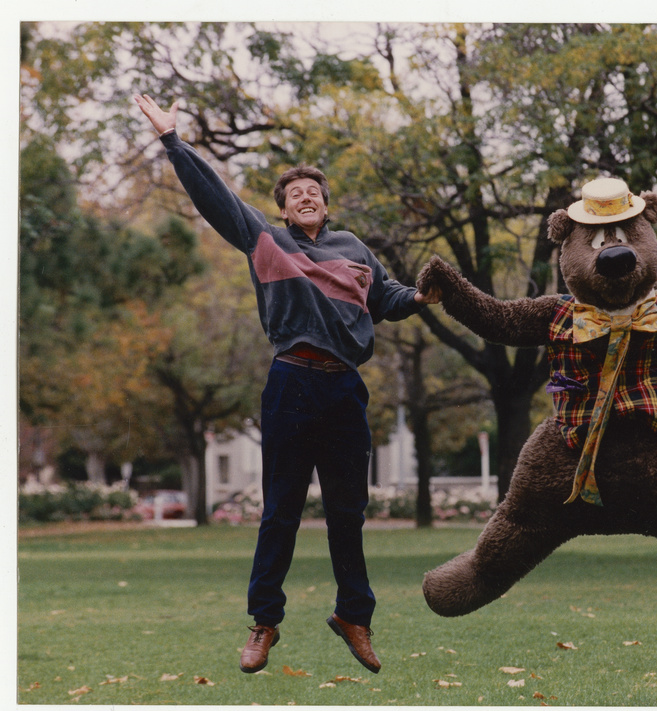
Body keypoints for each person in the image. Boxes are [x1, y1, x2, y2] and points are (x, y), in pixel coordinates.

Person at [134, 94, 440, 675]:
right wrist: (175, 142)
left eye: (314, 192)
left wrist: (422, 296)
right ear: (282, 207)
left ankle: (354, 616)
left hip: (345, 390)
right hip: (291, 384)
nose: (306, 197)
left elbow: (387, 296)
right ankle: (264, 624)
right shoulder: (265, 241)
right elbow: (216, 198)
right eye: (295, 193)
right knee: (281, 512)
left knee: (349, 512)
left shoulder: (353, 249)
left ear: (327, 204)